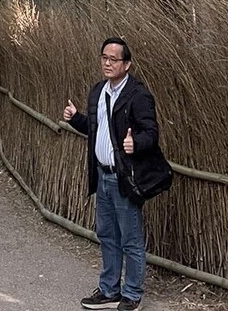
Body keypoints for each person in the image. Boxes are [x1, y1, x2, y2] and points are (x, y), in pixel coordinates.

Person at [64, 37, 166, 311]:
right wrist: (76, 119)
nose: (107, 63)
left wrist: (137, 144)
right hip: (102, 175)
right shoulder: (98, 91)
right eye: (104, 58)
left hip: (124, 177)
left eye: (114, 59)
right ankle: (109, 290)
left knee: (130, 238)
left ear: (127, 64)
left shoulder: (138, 95)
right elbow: (98, 131)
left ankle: (132, 293)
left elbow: (151, 134)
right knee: (107, 235)